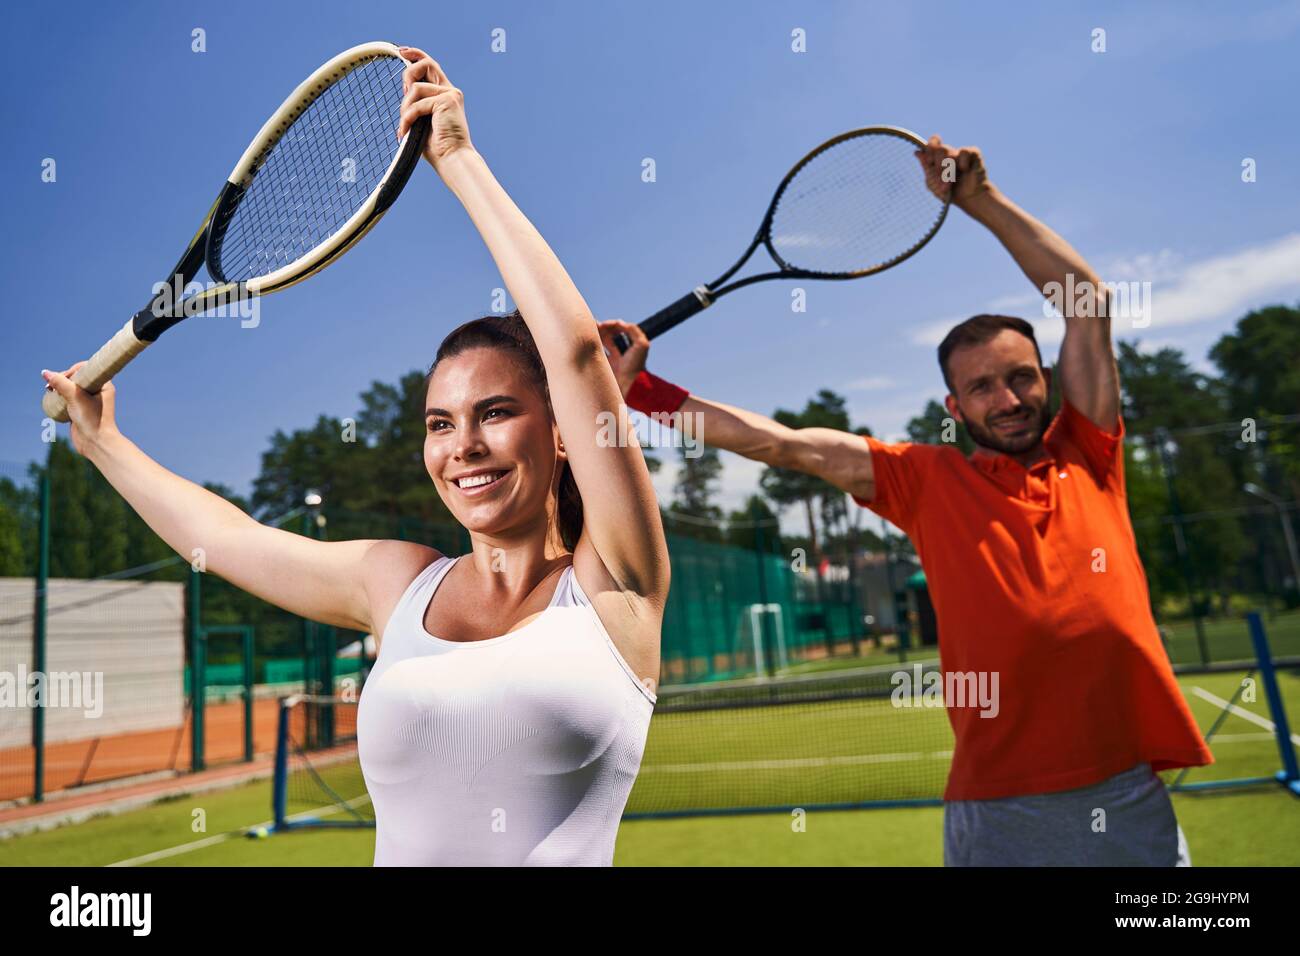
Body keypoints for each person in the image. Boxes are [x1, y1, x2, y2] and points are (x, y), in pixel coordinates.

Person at [42, 46, 668, 867]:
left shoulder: (616, 584)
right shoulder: (399, 585)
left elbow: (580, 359)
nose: (463, 446)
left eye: (496, 412)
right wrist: (104, 444)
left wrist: (457, 158)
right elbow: (229, 541)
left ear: (559, 434)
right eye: (439, 424)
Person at [599, 135, 1211, 866]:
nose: (1008, 399)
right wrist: (643, 391)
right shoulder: (921, 479)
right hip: (999, 806)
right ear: (954, 407)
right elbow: (780, 444)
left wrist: (977, 201)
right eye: (982, 387)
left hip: (1129, 793)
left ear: (1046, 381)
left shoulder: (1090, 453)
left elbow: (1089, 302)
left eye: (1020, 378)